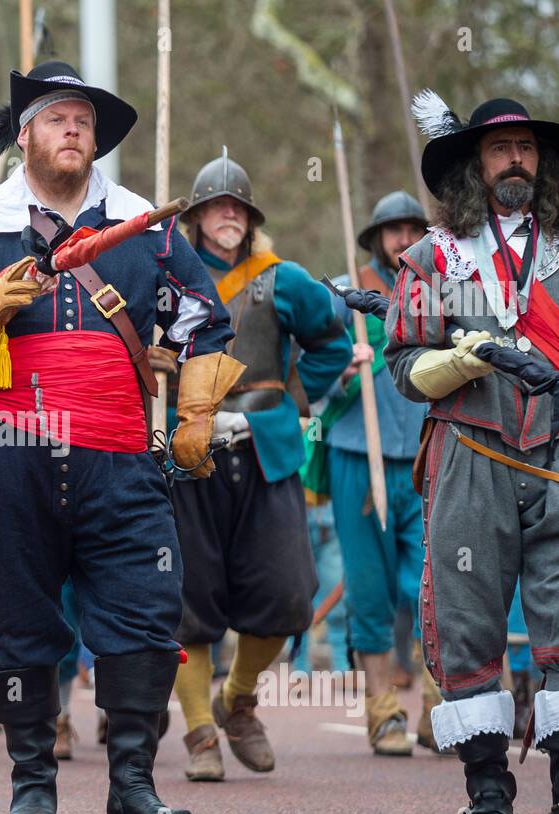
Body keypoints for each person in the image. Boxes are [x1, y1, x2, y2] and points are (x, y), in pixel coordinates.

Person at [0, 62, 237, 814]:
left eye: (83, 118)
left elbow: (205, 321)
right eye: (57, 117)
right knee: (17, 619)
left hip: (120, 453)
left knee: (146, 613)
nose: (74, 128)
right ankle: (32, 783)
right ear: (25, 137)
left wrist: (195, 411)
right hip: (8, 451)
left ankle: (132, 789)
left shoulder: (145, 224)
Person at [388, 93, 559, 814]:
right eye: (501, 149)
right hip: (470, 450)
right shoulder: (432, 259)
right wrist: (450, 361)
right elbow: (404, 365)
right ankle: (488, 789)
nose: (516, 161)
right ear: (475, 163)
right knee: (467, 616)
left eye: (527, 148)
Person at [170, 150, 351, 781]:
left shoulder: (284, 279)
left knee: (284, 591)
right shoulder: (167, 276)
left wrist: (295, 403)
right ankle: (198, 734)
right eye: (216, 206)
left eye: (237, 207)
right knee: (186, 603)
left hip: (265, 448)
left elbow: (333, 342)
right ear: (195, 217)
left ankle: (238, 700)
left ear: (249, 218)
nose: (227, 214)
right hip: (186, 456)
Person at [316, 190, 435, 756]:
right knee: (367, 588)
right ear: (376, 239)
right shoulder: (343, 293)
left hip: (427, 458)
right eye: (395, 230)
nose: (405, 239)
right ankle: (383, 713)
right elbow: (307, 374)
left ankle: (443, 707)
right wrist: (343, 368)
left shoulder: (444, 294)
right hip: (355, 456)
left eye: (415, 228)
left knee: (436, 585)